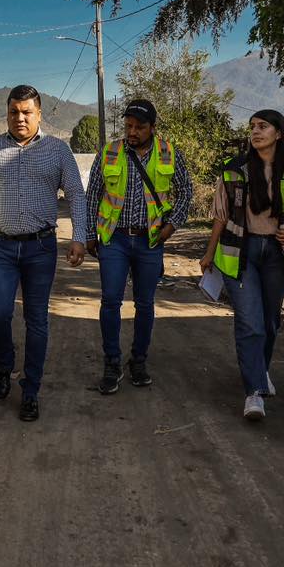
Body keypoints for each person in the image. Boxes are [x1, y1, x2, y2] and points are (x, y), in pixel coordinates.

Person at [0, 85, 86, 422]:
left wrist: (79, 237)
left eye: (26, 112)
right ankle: (5, 363)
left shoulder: (58, 151)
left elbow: (76, 194)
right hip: (0, 246)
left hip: (41, 248)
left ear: (39, 114)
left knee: (37, 320)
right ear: (7, 113)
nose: (20, 118)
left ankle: (30, 389)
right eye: (14, 112)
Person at [199, 110, 284, 420]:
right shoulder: (234, 170)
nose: (255, 132)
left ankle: (260, 369)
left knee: (269, 321)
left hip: (279, 254)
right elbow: (221, 215)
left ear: (279, 133)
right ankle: (254, 392)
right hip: (240, 252)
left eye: (263, 126)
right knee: (250, 321)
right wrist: (209, 253)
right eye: (252, 126)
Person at [84, 99, 193, 394]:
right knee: (110, 301)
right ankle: (112, 362)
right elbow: (92, 194)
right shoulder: (109, 152)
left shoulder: (169, 153)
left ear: (152, 128)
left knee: (145, 304)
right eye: (128, 126)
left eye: (139, 127)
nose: (132, 132)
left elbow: (186, 191)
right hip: (114, 239)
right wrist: (89, 234)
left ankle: (139, 360)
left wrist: (172, 226)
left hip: (150, 240)